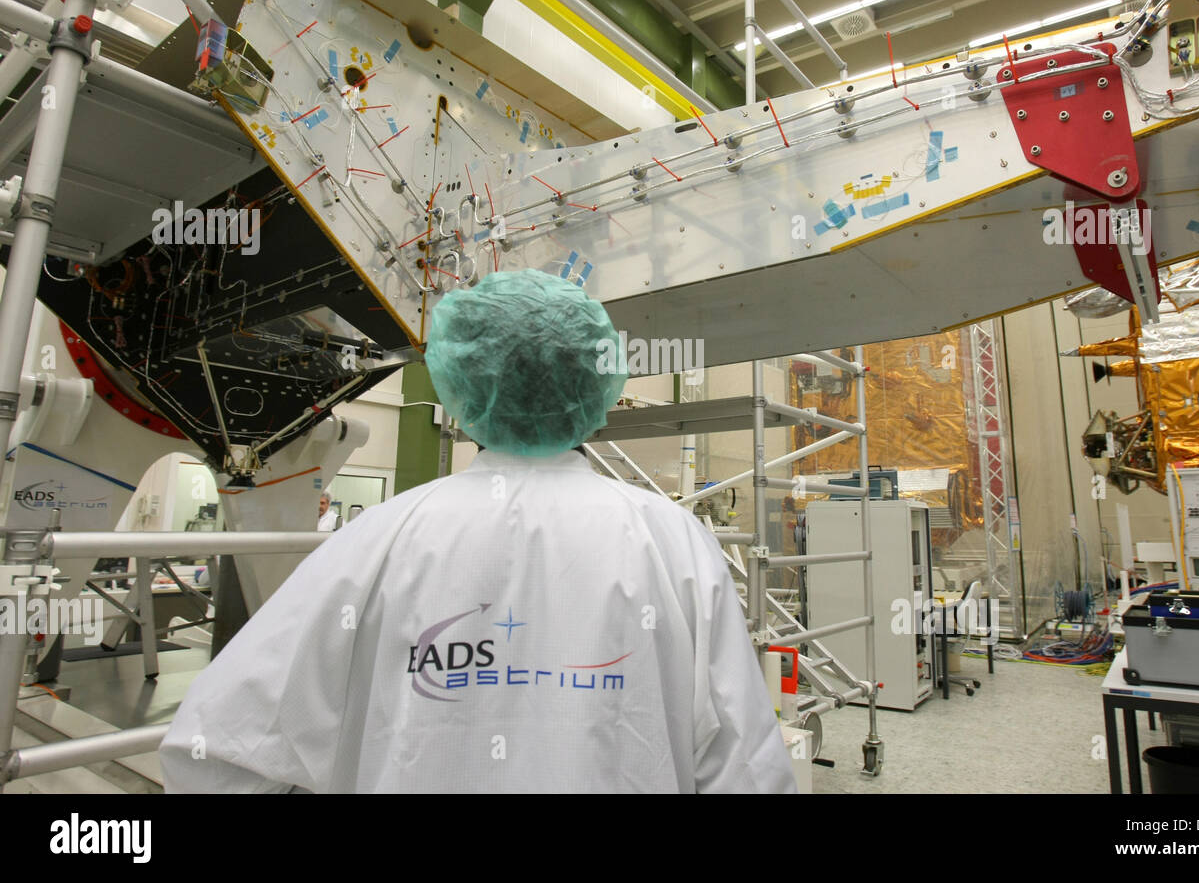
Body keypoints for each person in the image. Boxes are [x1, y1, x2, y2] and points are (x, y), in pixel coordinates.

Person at [160, 269, 795, 793]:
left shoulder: (378, 538)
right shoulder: (673, 541)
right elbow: (746, 771)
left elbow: (216, 752)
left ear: (461, 389)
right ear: (596, 385)